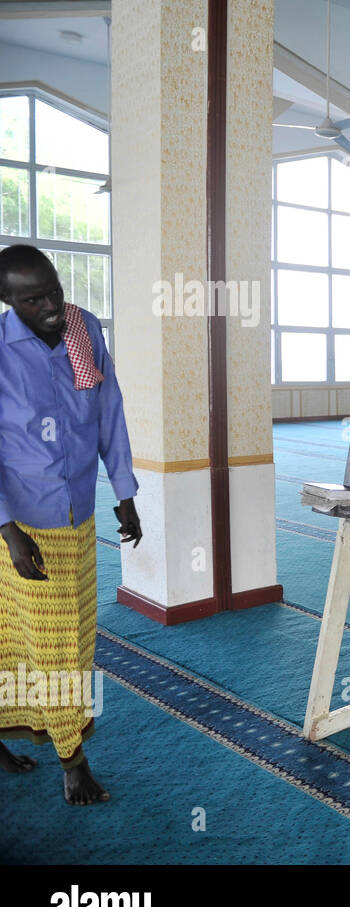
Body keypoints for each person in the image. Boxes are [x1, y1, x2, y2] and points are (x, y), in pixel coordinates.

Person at [0, 245, 142, 805]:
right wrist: (8, 530)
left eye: (54, 291)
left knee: (65, 637)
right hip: (25, 526)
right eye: (34, 299)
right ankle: (72, 760)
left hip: (78, 514)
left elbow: (109, 408)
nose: (53, 306)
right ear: (8, 301)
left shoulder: (84, 330)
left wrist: (124, 491)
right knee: (52, 643)